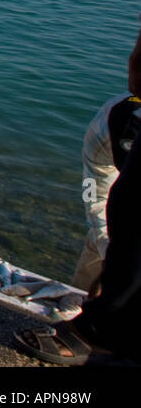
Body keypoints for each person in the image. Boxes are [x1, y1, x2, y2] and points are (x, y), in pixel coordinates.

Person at [15, 27, 141, 364]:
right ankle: (88, 314)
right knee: (109, 239)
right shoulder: (109, 125)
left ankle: (101, 332)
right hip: (112, 227)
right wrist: (104, 238)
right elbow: (97, 190)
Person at [71, 93, 131, 294]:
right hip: (122, 216)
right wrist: (105, 244)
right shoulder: (110, 122)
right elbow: (93, 192)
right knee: (97, 253)